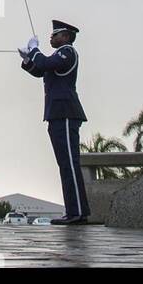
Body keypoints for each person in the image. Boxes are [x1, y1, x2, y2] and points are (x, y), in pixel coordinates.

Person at [19, 18, 90, 224]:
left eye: (55, 34)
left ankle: (77, 213)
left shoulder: (67, 52)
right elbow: (39, 70)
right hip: (56, 113)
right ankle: (74, 210)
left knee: (69, 162)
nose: (51, 37)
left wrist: (34, 51)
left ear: (66, 37)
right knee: (64, 164)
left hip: (66, 112)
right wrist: (27, 59)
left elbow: (45, 63)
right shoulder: (58, 55)